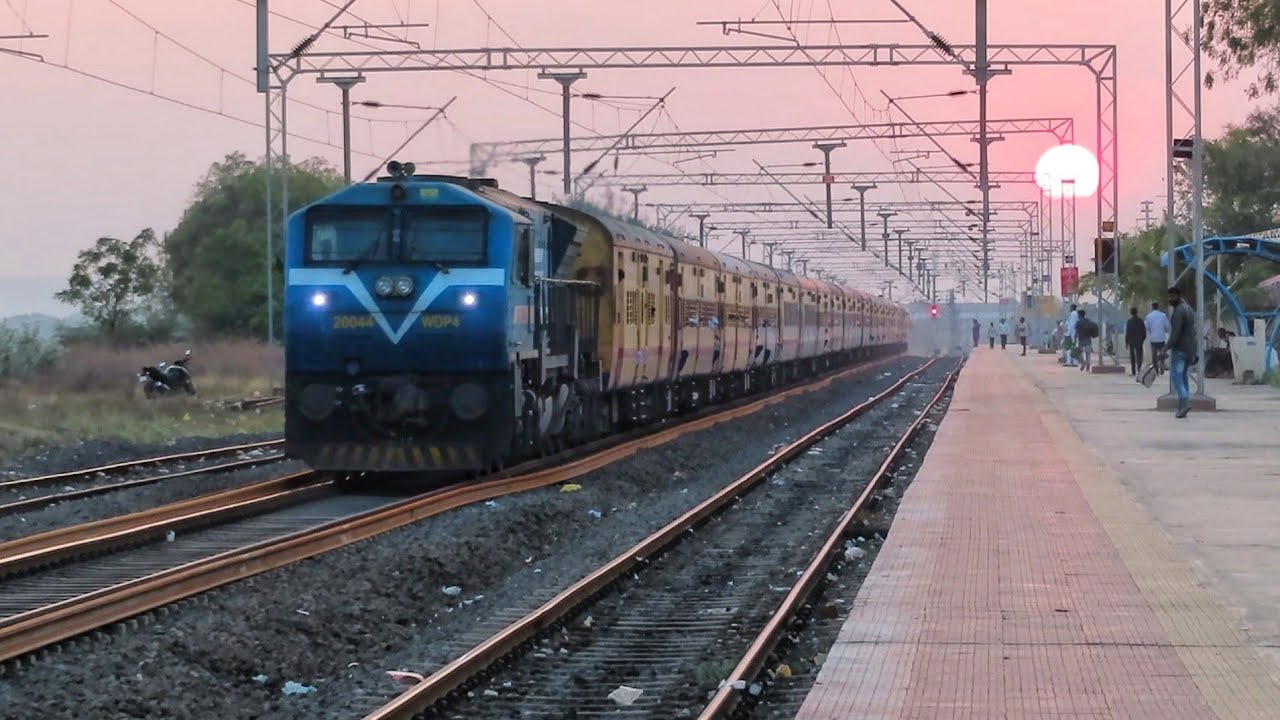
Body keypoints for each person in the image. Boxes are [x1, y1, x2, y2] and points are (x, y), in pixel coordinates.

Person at [1165, 286, 1196, 418]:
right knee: (1183, 377)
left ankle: (1185, 402)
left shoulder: (1178, 311)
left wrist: (1165, 348)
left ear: (1178, 296)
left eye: (1171, 296)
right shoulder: (1189, 309)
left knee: (1176, 377)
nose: (1169, 299)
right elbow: (1192, 332)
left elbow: (1175, 333)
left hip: (1180, 350)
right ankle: (1182, 406)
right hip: (1190, 350)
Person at [1144, 301, 1169, 375]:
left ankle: (1156, 370)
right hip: (1161, 338)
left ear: (1152, 307)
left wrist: (1152, 331)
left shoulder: (1148, 316)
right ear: (1158, 307)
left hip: (1153, 339)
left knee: (1154, 355)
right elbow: (1167, 326)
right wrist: (1164, 331)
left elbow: (1147, 327)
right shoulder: (1163, 315)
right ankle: (1162, 367)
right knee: (1162, 353)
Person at [1125, 307, 1147, 377]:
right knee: (1139, 356)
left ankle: (1133, 371)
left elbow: (1127, 333)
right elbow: (1144, 332)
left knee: (1132, 357)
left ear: (1131, 313)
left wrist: (1126, 342)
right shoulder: (1141, 321)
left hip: (1131, 341)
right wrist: (1142, 340)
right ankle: (1139, 369)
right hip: (1139, 341)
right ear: (1137, 312)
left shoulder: (1129, 321)